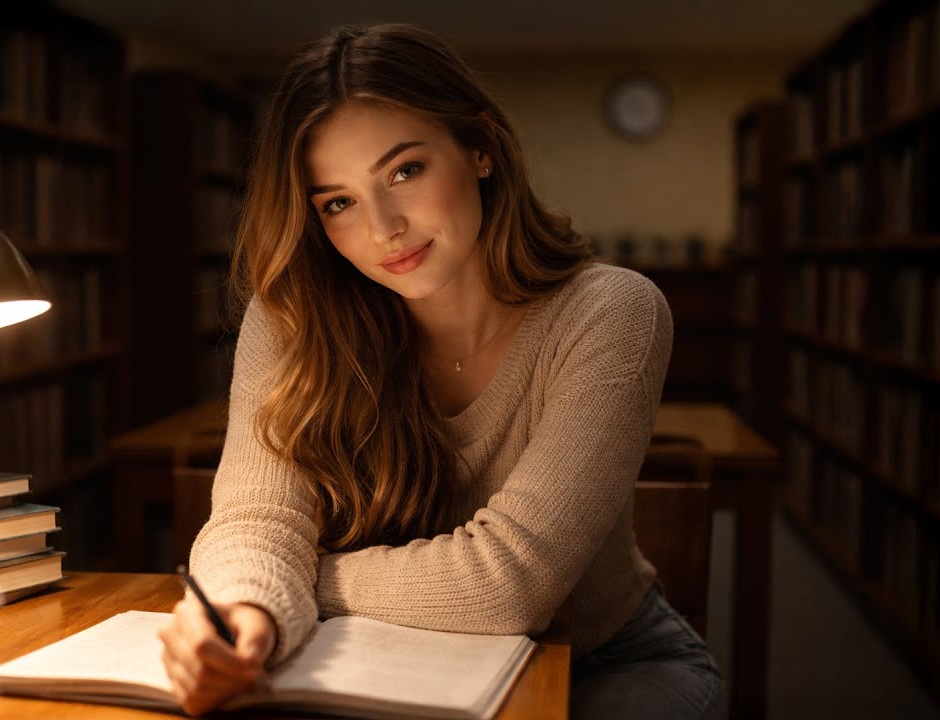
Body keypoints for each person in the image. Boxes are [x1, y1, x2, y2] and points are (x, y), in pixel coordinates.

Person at [157, 23, 726, 720]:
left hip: (596, 660)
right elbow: (255, 515)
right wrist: (248, 607)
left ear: (480, 148)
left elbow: (508, 586)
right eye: (337, 202)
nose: (383, 227)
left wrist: (299, 581)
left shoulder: (610, 313)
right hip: (381, 654)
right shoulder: (294, 317)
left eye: (405, 171)